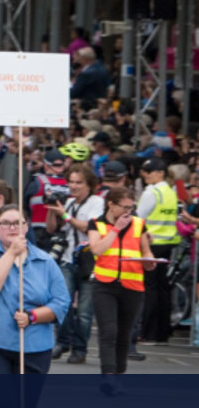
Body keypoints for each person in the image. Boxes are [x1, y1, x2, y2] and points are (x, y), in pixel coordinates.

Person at [0, 204, 70, 374]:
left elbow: (61, 301)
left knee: (24, 401)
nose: (12, 227)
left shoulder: (45, 260)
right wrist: (11, 253)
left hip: (34, 347)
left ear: (26, 226)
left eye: (18, 223)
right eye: (5, 223)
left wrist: (32, 316)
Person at [87, 187, 155, 392]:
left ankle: (117, 375)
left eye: (131, 207)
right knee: (108, 331)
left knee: (124, 334)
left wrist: (149, 262)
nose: (129, 211)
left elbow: (146, 252)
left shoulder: (138, 224)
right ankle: (108, 376)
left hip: (132, 285)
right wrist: (116, 228)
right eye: (124, 207)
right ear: (111, 204)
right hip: (104, 284)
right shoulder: (96, 223)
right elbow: (97, 249)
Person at [45, 164, 104, 364]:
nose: (74, 186)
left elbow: (90, 227)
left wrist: (64, 215)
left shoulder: (96, 202)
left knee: (85, 312)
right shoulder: (67, 202)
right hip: (68, 258)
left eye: (79, 182)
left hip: (89, 261)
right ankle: (63, 341)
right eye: (70, 182)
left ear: (89, 185)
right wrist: (52, 210)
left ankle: (80, 349)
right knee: (63, 303)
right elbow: (51, 229)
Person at [135, 156, 180, 346]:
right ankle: (162, 332)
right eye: (144, 171)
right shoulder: (170, 191)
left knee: (150, 288)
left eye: (149, 171)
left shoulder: (151, 192)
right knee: (163, 288)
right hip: (168, 242)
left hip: (151, 243)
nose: (145, 175)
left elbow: (139, 218)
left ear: (160, 173)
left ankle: (148, 332)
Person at [24, 148, 70, 249]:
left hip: (37, 235)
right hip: (64, 235)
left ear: (45, 165)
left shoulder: (36, 182)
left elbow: (24, 208)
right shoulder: (72, 184)